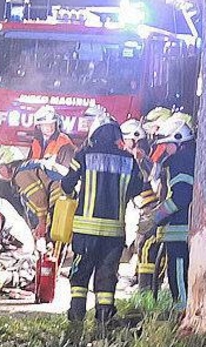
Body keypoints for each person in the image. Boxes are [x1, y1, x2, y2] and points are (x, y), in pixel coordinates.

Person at [61, 111, 144, 327]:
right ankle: (104, 319)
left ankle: (76, 318)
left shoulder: (84, 154)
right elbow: (138, 187)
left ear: (94, 133)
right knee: (107, 276)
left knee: (80, 274)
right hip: (114, 232)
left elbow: (67, 184)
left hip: (85, 231)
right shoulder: (129, 160)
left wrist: (73, 195)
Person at [138, 111, 195, 311]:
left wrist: (156, 216)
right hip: (181, 229)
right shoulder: (188, 158)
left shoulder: (181, 161)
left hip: (180, 228)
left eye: (167, 145)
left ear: (178, 141)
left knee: (178, 272)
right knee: (177, 272)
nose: (165, 149)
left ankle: (183, 312)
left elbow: (180, 197)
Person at [121, 118, 161, 294]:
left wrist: (140, 158)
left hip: (147, 206)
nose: (123, 142)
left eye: (126, 139)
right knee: (137, 244)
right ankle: (138, 279)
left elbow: (150, 177)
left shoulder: (141, 157)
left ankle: (145, 288)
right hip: (139, 206)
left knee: (143, 245)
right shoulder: (134, 156)